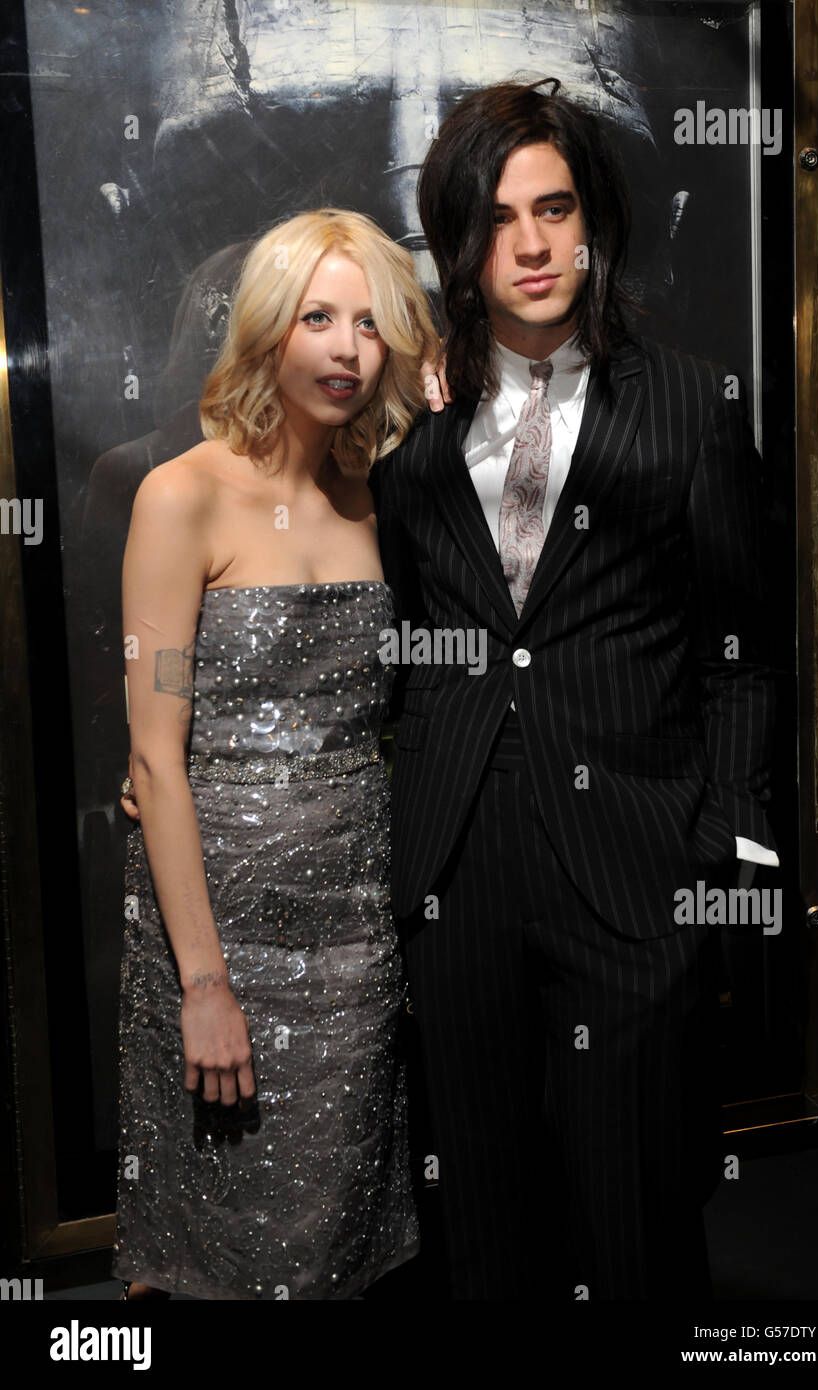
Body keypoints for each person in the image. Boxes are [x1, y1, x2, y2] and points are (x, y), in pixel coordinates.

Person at [369, 78, 780, 1300]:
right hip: (458, 867)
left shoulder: (688, 405)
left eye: (552, 209)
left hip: (634, 865)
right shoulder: (411, 427)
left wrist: (725, 843)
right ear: (456, 241)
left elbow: (747, 645)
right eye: (496, 219)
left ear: (590, 221)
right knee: (481, 1216)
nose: (532, 244)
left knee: (636, 1208)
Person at [112, 208, 439, 1300]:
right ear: (266, 330)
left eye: (371, 323)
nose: (347, 349)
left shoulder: (381, 496)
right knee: (219, 1244)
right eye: (317, 318)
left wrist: (437, 372)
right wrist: (202, 984)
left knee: (338, 1245)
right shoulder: (181, 497)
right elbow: (155, 757)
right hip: (220, 938)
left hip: (354, 934)